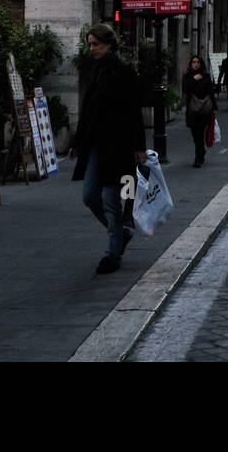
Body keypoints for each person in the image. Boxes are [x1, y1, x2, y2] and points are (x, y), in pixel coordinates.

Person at [71, 24, 146, 275]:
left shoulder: (125, 72)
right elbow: (88, 110)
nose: (92, 48)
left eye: (96, 44)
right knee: (89, 196)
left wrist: (139, 147)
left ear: (109, 44)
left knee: (110, 200)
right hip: (94, 145)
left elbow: (134, 112)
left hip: (117, 146)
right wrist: (77, 142)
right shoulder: (96, 70)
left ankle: (113, 254)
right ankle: (122, 233)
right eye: (90, 44)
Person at [182, 56, 216, 168]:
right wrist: (194, 80)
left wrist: (214, 108)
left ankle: (199, 158)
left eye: (197, 62)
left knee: (200, 134)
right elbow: (186, 90)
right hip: (192, 110)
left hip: (205, 110)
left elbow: (211, 92)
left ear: (201, 64)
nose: (195, 64)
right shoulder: (187, 77)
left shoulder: (205, 76)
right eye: (193, 62)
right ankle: (201, 151)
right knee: (195, 135)